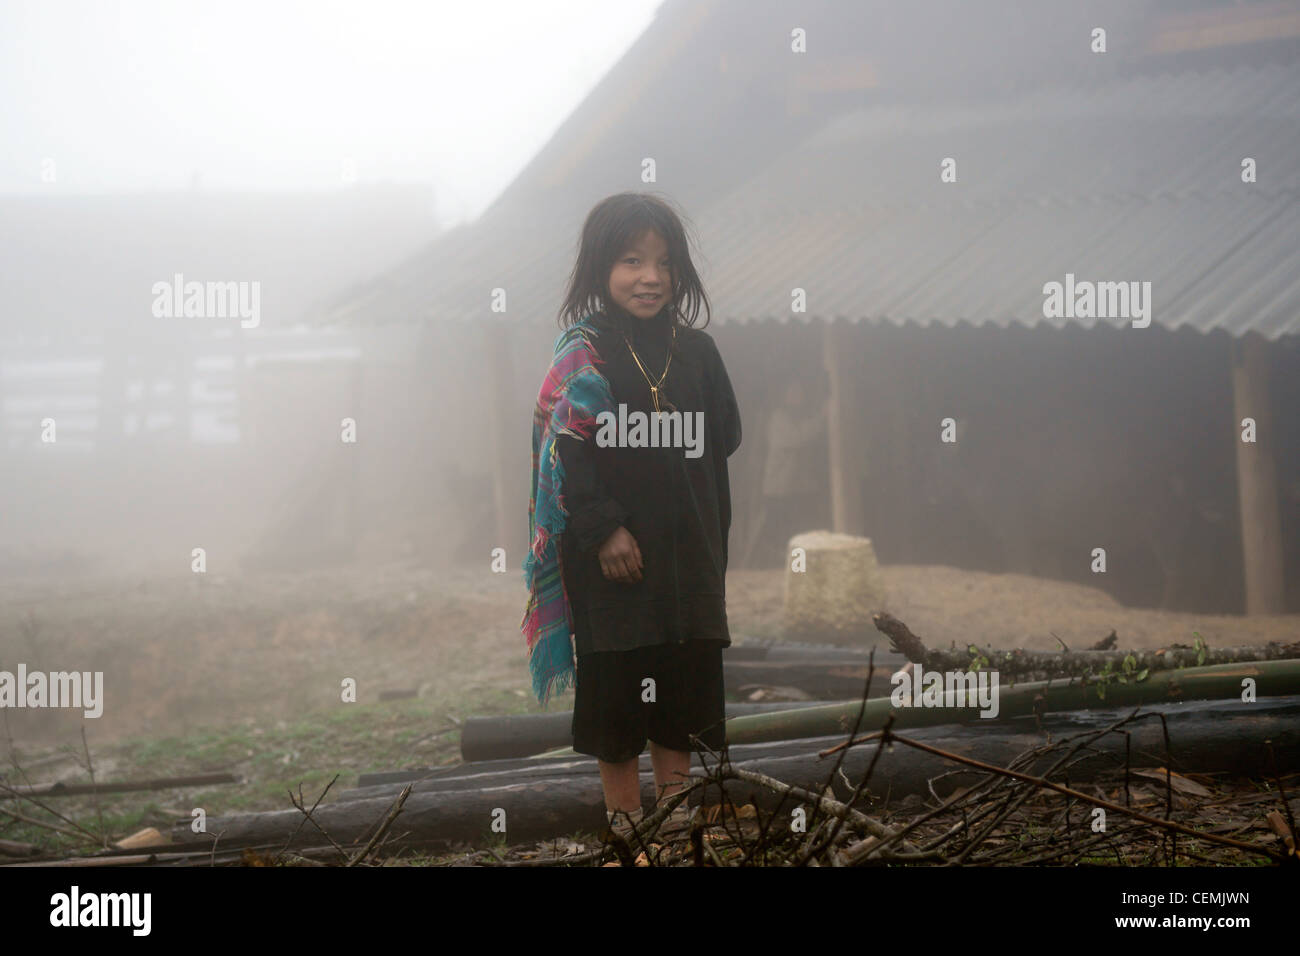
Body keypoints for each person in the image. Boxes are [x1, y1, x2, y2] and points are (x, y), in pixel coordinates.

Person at [521, 192, 742, 851]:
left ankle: (674, 835)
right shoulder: (584, 355)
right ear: (600, 268)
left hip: (689, 561)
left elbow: (725, 436)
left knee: (682, 699)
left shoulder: (698, 352)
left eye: (665, 263)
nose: (651, 277)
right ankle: (627, 839)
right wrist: (604, 528)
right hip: (613, 565)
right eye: (631, 261)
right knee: (617, 703)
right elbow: (564, 456)